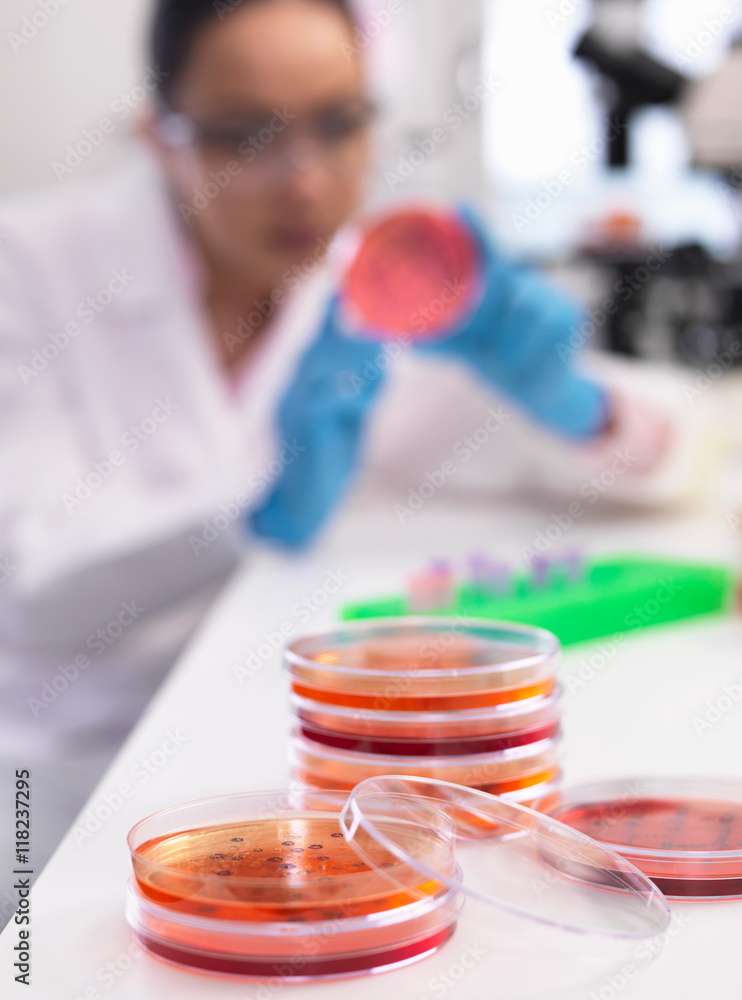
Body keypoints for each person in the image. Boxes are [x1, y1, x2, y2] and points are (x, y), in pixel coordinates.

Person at [0, 0, 684, 913]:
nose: (307, 181)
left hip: (289, 774)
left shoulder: (368, 297)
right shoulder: (30, 269)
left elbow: (658, 461)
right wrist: (256, 507)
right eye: (245, 136)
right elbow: (27, 592)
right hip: (61, 784)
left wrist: (570, 400)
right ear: (160, 136)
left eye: (340, 123)